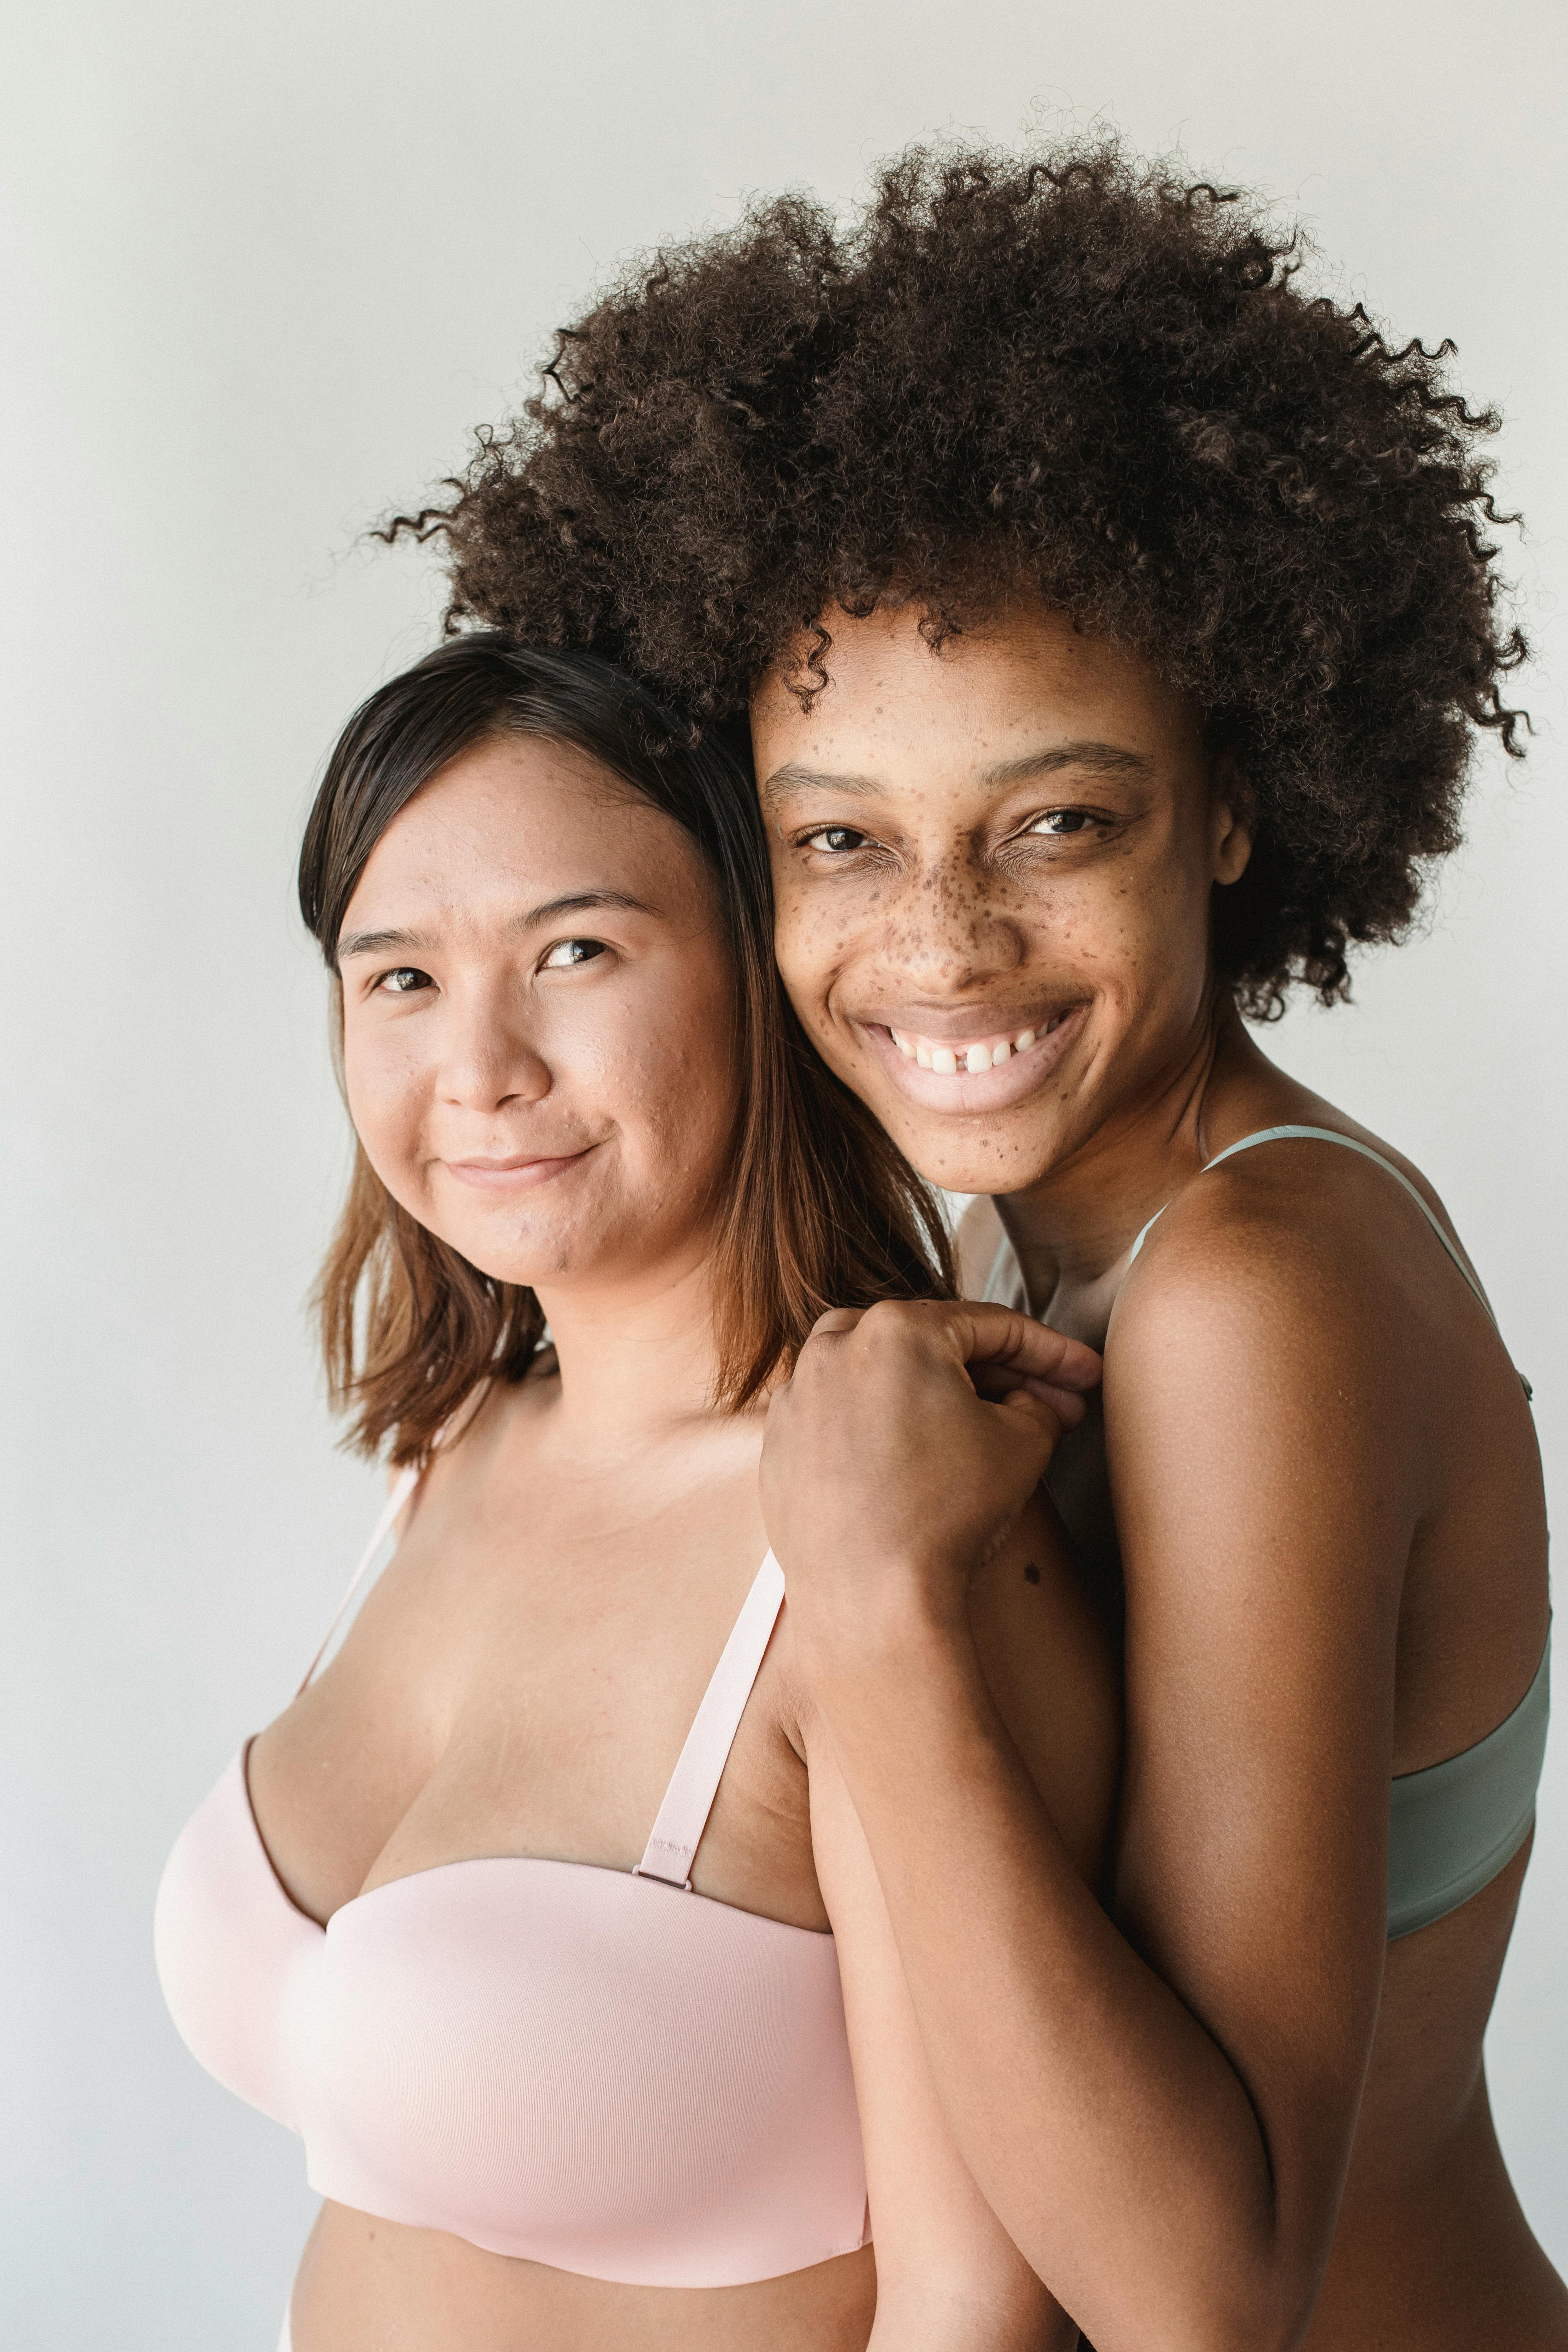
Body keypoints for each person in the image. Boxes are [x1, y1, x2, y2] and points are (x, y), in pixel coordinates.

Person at [401, 143, 1564, 2350]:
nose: (941, 943)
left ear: (1231, 802)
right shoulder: (1028, 1248)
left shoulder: (1256, 1289)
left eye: (1057, 822)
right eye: (841, 838)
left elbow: (1196, 2298)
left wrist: (879, 1606)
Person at [154, 635, 1115, 2352]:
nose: (482, 1065)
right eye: (399, 979)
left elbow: (977, 2309)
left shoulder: (881, 1531)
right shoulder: (448, 1450)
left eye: (575, 951)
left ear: (761, 968)